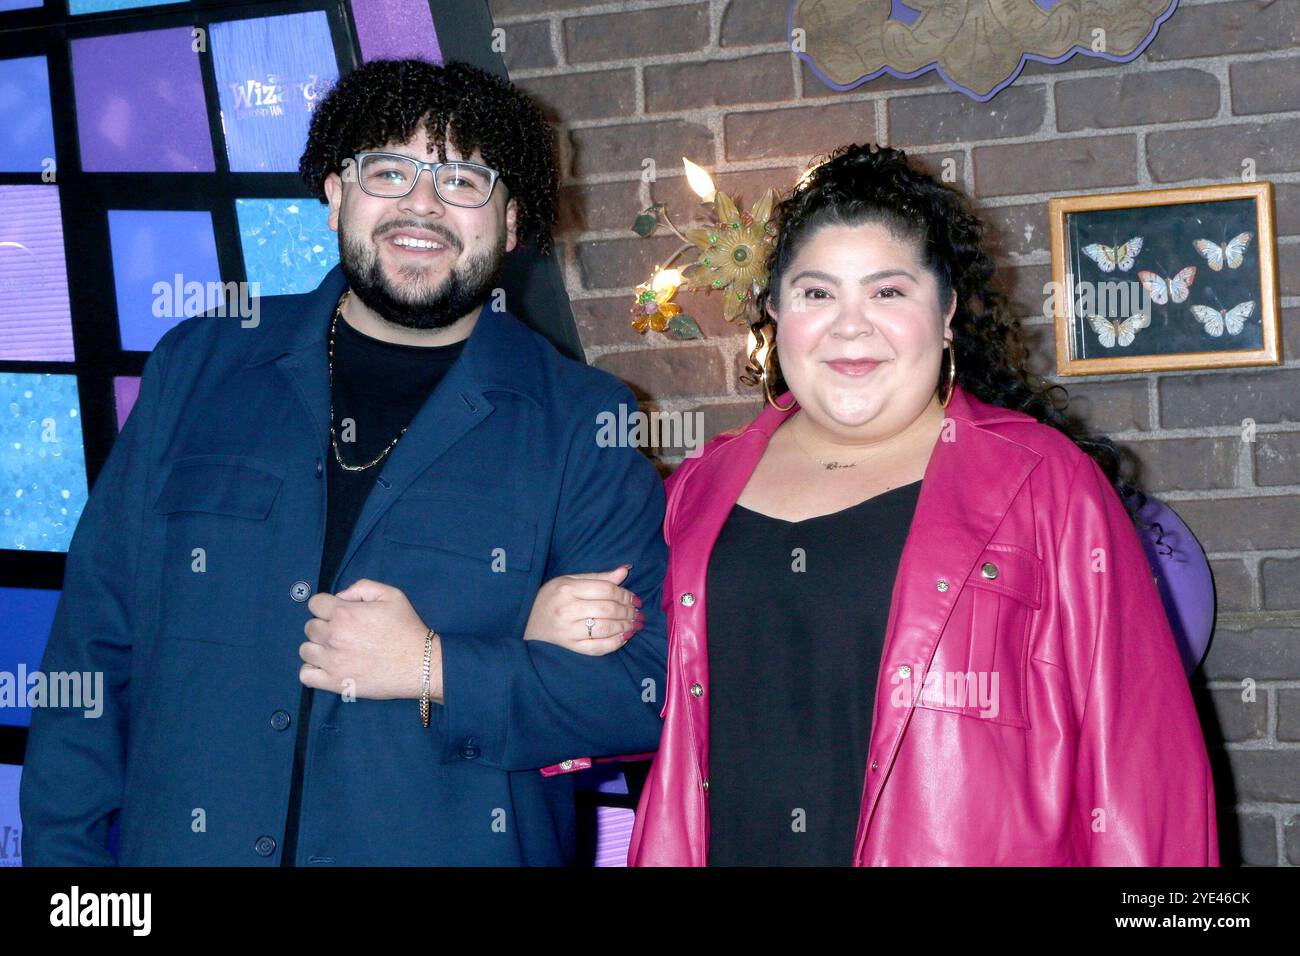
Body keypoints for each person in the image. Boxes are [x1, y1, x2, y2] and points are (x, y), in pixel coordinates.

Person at [20, 58, 664, 866]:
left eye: (464, 179)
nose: (421, 203)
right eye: (388, 170)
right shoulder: (199, 365)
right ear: (334, 195)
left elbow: (648, 691)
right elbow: (92, 648)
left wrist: (436, 668)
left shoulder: (582, 423)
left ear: (511, 223)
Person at [537, 143, 1219, 866]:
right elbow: (635, 694)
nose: (850, 325)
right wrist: (550, 630)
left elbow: (1143, 763)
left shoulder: (1045, 484)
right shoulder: (699, 489)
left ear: (947, 309)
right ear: (774, 311)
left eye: (888, 293)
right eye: (816, 293)